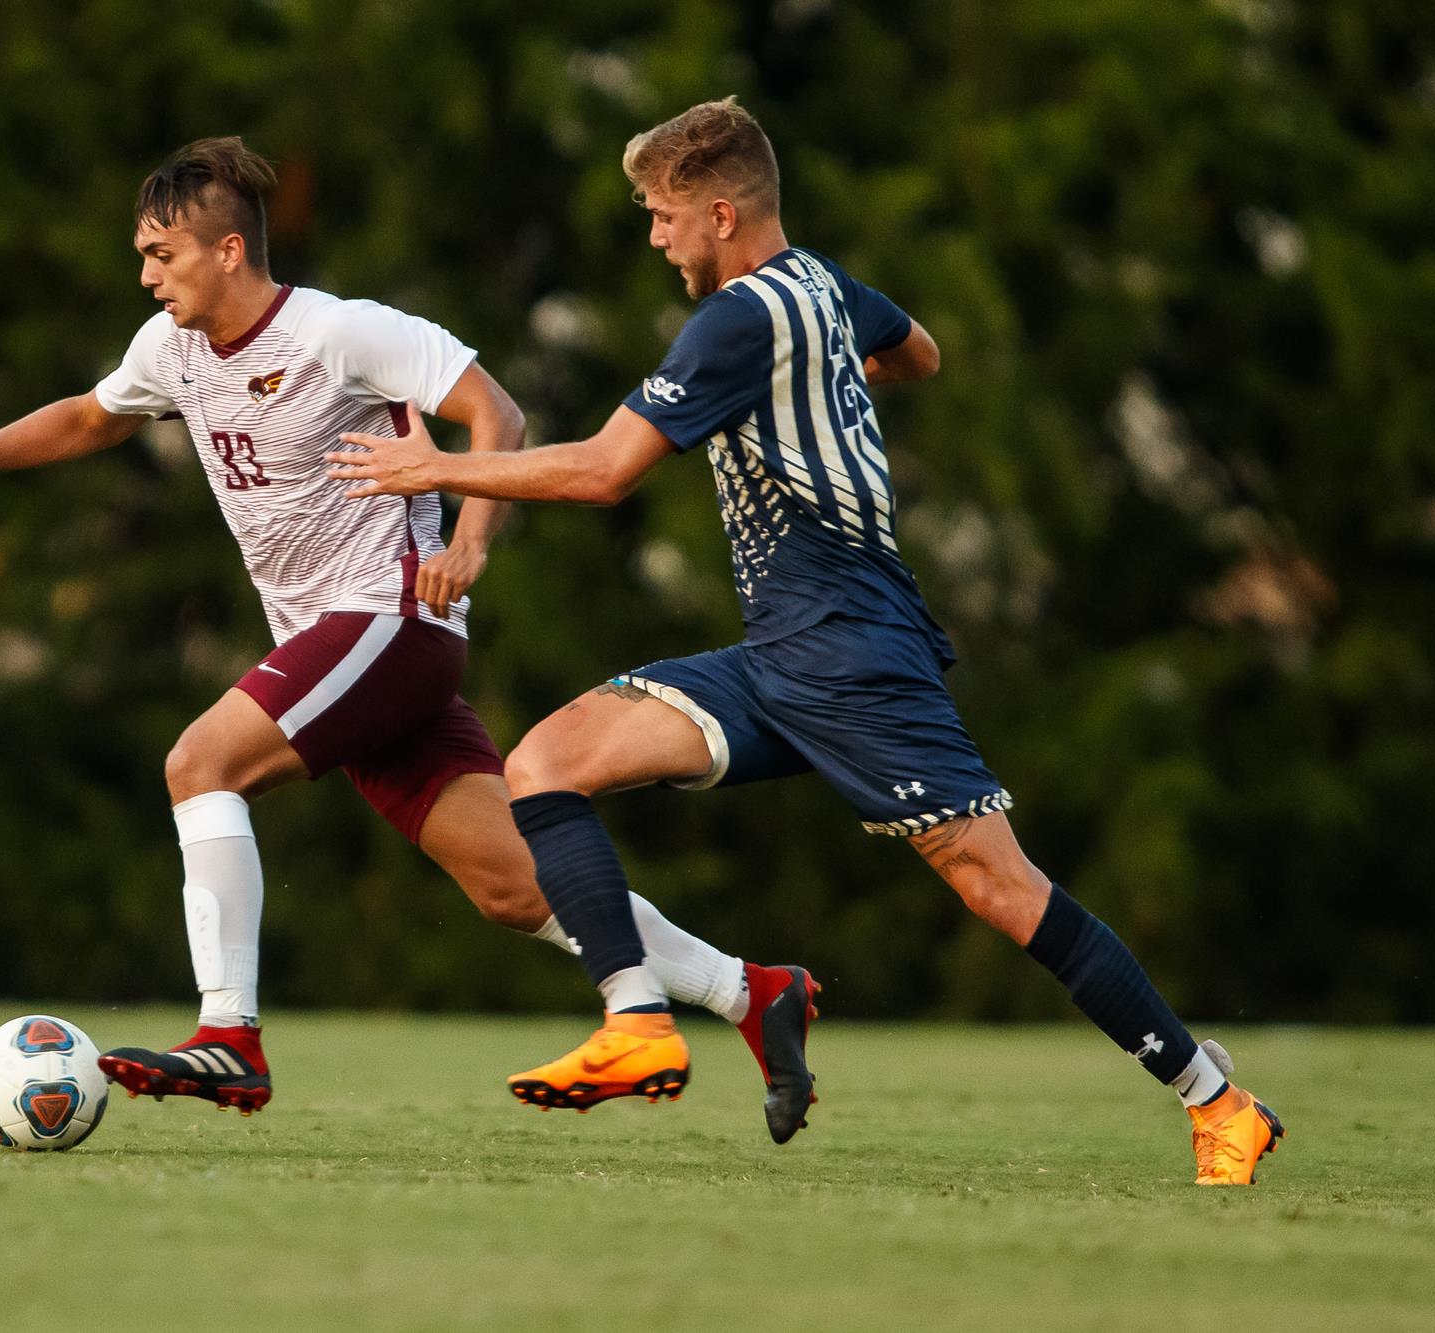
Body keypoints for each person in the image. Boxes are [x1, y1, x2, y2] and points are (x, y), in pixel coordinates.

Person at [327, 99, 1286, 1185]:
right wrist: (833, 396)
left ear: (722, 214)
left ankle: (1218, 1100)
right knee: (546, 761)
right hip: (780, 652)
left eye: (660, 217)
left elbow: (601, 471)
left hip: (858, 656)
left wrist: (432, 471)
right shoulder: (825, 287)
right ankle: (636, 1017)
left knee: (999, 890)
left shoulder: (736, 321)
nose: (652, 238)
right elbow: (916, 353)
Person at [0, 136, 820, 1139]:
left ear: (229, 251)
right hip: (344, 649)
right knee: (510, 886)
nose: (146, 275)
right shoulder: (171, 350)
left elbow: (492, 411)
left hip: (390, 621)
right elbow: (89, 417)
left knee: (200, 763)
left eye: (162, 254)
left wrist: (468, 545)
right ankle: (751, 992)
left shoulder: (340, 333)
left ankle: (228, 1036)